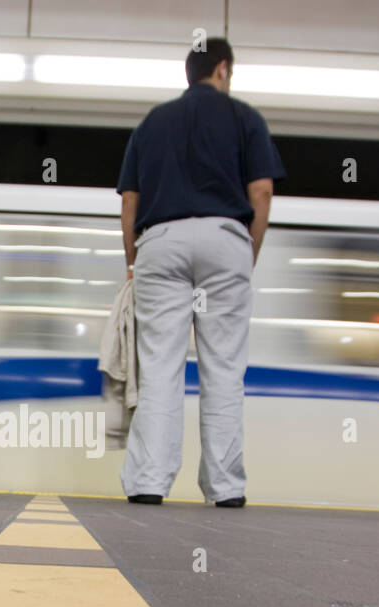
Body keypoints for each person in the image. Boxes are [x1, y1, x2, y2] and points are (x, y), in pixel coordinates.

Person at [116, 38, 285, 507]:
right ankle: (226, 489)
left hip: (160, 241)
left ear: (188, 73)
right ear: (223, 70)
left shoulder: (152, 122)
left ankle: (149, 482)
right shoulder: (244, 117)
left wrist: (133, 263)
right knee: (225, 371)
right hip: (226, 237)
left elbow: (129, 202)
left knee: (160, 368)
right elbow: (263, 193)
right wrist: (244, 255)